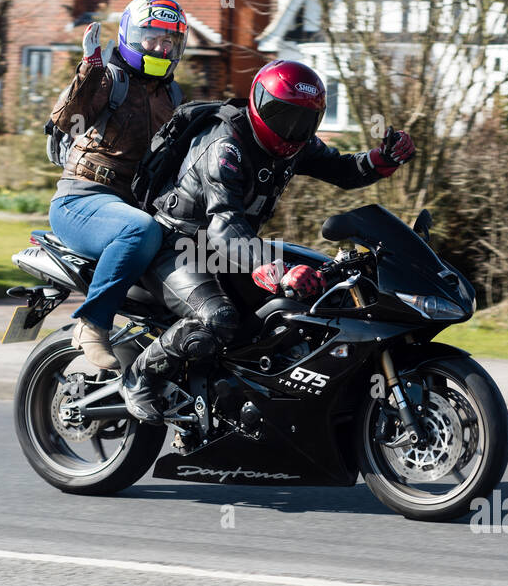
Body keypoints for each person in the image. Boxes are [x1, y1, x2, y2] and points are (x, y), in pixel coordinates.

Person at [120, 59, 415, 421]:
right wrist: (270, 266)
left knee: (310, 300)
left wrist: (383, 159)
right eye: (282, 115)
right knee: (220, 318)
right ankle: (140, 377)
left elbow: (341, 168)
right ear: (258, 102)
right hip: (177, 244)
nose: (292, 129)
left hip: (225, 248)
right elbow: (224, 227)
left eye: (304, 120)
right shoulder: (225, 147)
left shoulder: (296, 142)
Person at [48, 0, 188, 370]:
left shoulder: (172, 94)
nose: (160, 47)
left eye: (168, 41)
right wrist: (90, 69)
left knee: (202, 248)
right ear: (131, 35)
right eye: (152, 37)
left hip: (131, 204)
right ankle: (91, 325)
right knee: (140, 230)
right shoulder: (109, 79)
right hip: (81, 202)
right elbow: (66, 119)